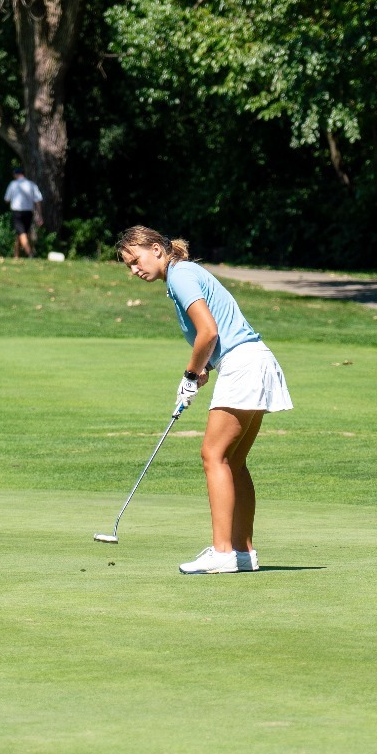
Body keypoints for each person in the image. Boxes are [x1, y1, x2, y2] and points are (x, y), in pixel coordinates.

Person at [115, 225, 292, 574]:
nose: (135, 270)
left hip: (243, 364)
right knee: (233, 461)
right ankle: (242, 552)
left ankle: (222, 551)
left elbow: (208, 331)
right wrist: (201, 373)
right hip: (252, 360)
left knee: (213, 455)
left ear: (157, 248)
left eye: (136, 260)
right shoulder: (184, 274)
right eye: (128, 266)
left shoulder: (180, 275)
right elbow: (212, 340)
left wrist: (189, 374)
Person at [4, 168, 41, 258]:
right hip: (28, 212)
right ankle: (16, 255)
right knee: (21, 233)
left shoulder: (13, 184)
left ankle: (30, 254)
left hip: (17, 212)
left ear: (16, 175)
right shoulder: (31, 184)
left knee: (21, 233)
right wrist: (40, 215)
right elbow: (38, 201)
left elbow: (6, 199)